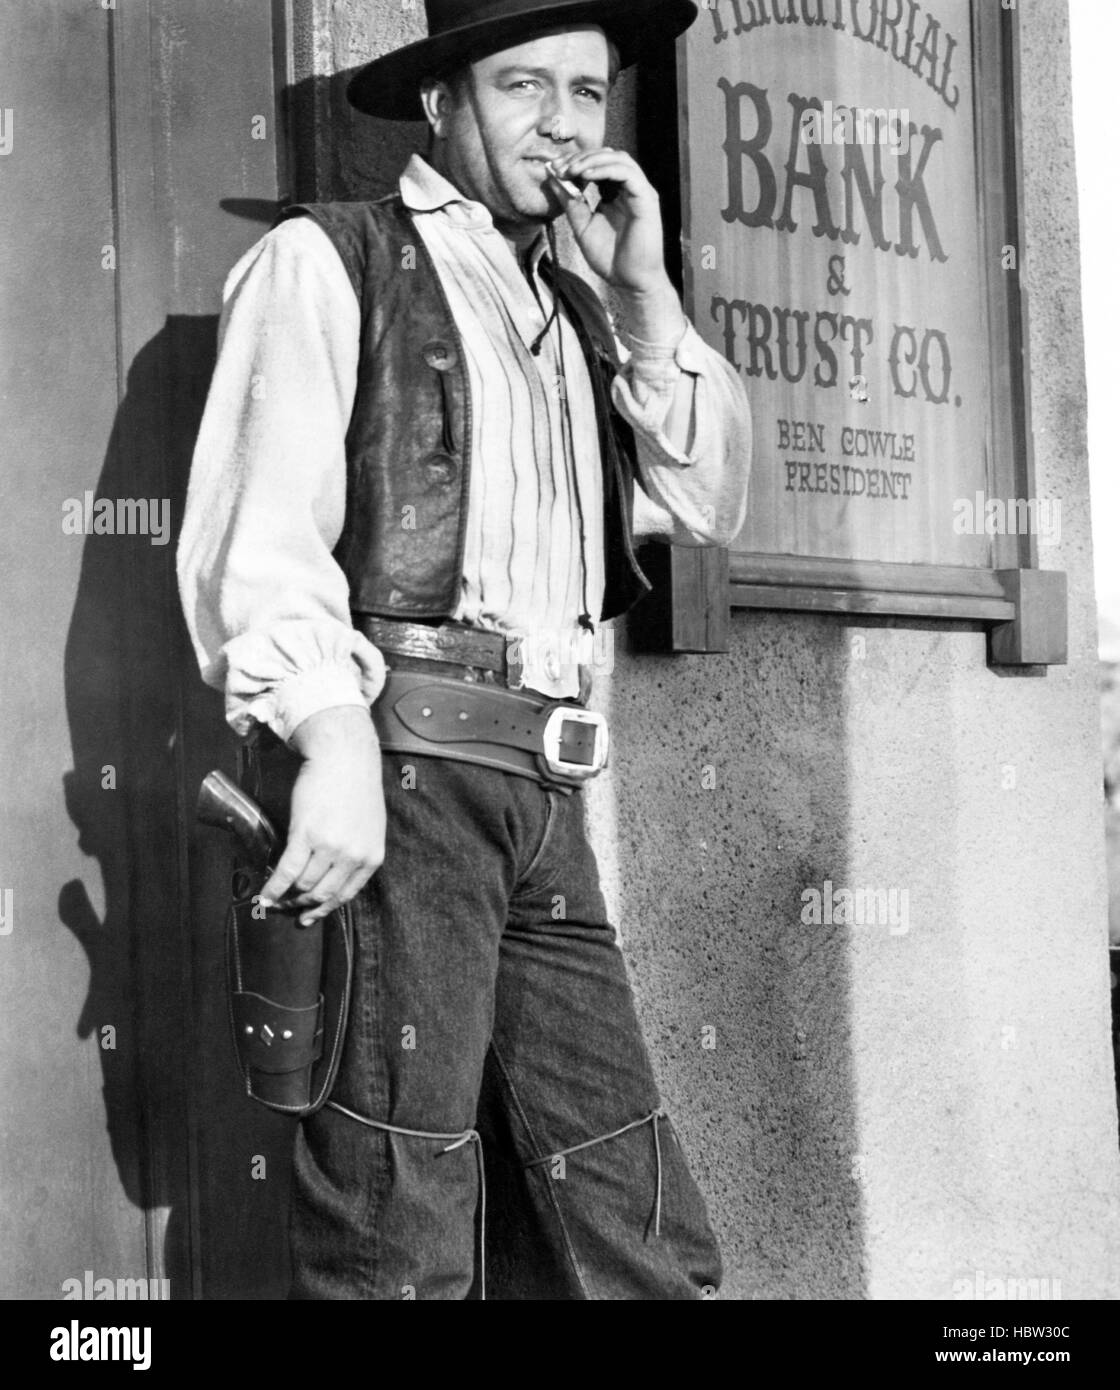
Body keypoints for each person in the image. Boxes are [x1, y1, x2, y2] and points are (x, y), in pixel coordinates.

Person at [178, 0, 751, 1299]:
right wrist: (328, 741)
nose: (562, 124)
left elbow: (711, 500)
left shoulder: (584, 311)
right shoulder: (333, 260)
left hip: (546, 800)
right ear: (442, 101)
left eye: (587, 93)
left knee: (633, 1214)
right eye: (522, 86)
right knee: (397, 1216)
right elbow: (257, 540)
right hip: (407, 770)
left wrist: (649, 297)